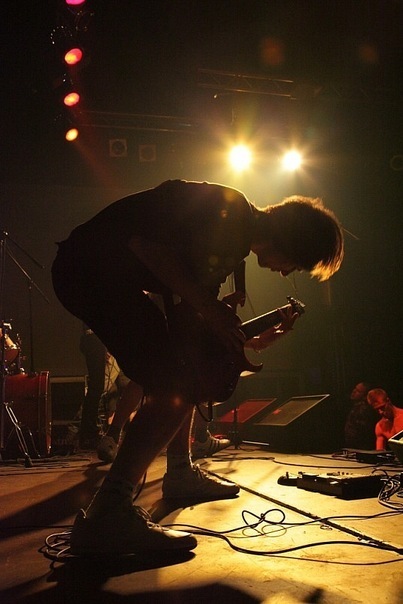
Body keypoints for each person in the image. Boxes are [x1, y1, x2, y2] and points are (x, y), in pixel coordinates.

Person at [51, 178, 344, 556]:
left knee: (184, 365)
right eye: (297, 264)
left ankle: (178, 473)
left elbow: (192, 326)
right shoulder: (232, 217)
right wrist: (210, 309)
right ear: (291, 241)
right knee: (177, 377)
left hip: (91, 273)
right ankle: (110, 511)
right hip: (90, 272)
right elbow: (146, 246)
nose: (287, 273)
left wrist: (245, 339)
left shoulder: (234, 233)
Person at [343, 381, 378, 450]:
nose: (354, 391)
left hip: (360, 447)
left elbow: (363, 433)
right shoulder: (354, 406)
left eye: (358, 391)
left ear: (365, 396)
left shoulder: (364, 409)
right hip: (352, 446)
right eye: (355, 388)